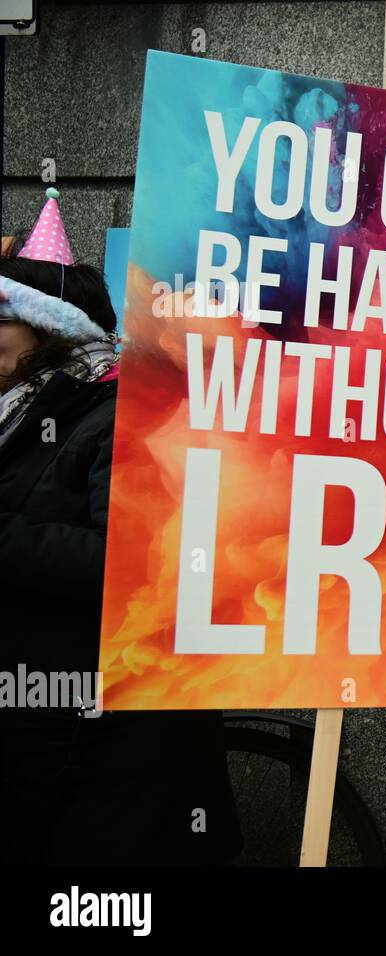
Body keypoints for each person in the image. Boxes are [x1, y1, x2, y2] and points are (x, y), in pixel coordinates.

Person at [0, 189, 241, 865]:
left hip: (104, 750)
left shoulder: (119, 416)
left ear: (50, 329)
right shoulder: (18, 413)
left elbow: (132, 565)